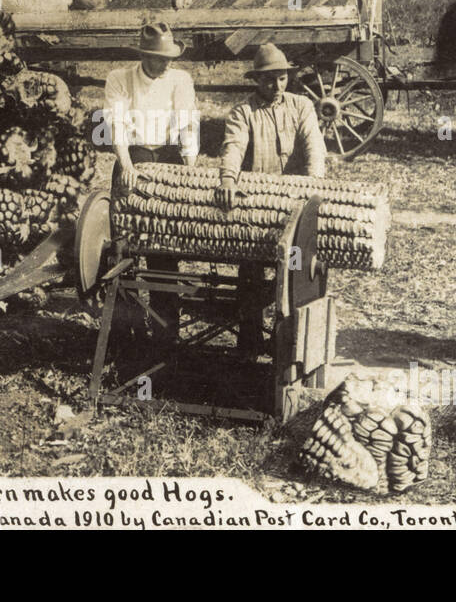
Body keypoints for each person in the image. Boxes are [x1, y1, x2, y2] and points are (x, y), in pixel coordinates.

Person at [215, 44, 327, 354]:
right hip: (256, 205)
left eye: (281, 79)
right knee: (250, 274)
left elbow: (313, 144)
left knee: (293, 274)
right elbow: (234, 146)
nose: (275, 87)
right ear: (256, 81)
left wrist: (313, 183)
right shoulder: (243, 112)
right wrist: (228, 177)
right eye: (268, 81)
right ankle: (249, 342)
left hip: (294, 202)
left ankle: (286, 345)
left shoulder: (301, 105)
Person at [103, 22, 199, 335]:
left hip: (168, 158)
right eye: (160, 58)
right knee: (124, 243)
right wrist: (127, 164)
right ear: (144, 56)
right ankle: (124, 327)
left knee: (163, 242)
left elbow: (187, 123)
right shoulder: (120, 79)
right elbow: (116, 124)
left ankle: (165, 325)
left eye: (170, 58)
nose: (166, 64)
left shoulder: (180, 80)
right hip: (135, 155)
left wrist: (190, 166)